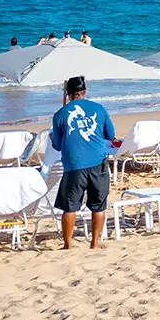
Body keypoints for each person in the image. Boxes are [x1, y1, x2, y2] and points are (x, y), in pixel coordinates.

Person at [48, 75, 118, 250]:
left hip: (74, 165)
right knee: (98, 205)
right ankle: (94, 243)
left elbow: (56, 145)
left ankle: (67, 244)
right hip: (98, 162)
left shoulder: (60, 114)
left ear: (68, 93)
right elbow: (110, 134)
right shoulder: (99, 109)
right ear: (84, 92)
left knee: (70, 207)